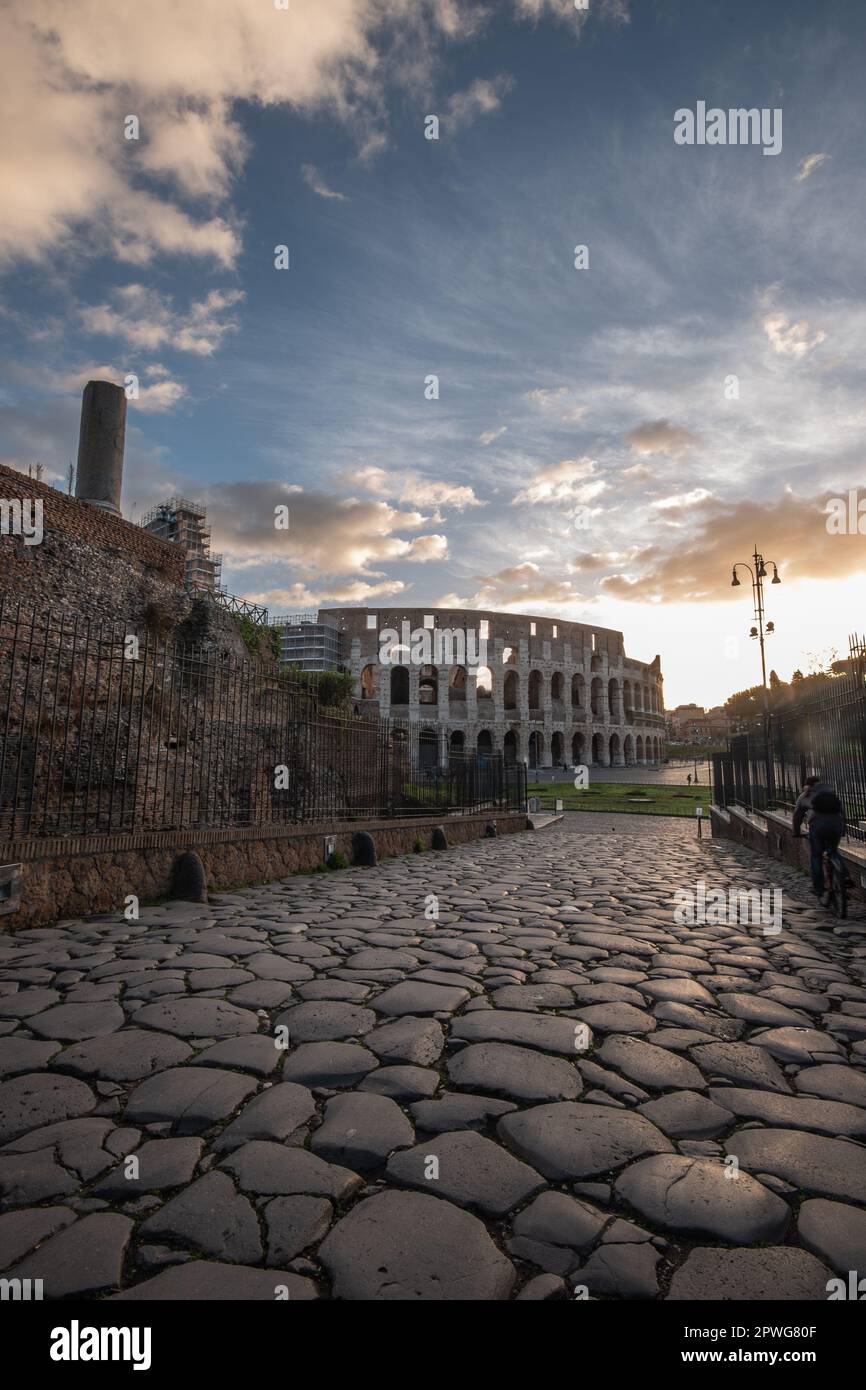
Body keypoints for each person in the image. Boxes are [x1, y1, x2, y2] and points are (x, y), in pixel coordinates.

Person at [792, 774, 845, 898]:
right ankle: (845, 876)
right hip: (836, 824)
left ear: (807, 785)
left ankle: (818, 888)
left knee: (816, 856)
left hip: (818, 826)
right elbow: (842, 812)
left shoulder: (806, 795)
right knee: (833, 850)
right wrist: (843, 831)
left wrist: (796, 832)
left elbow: (797, 816)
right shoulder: (831, 793)